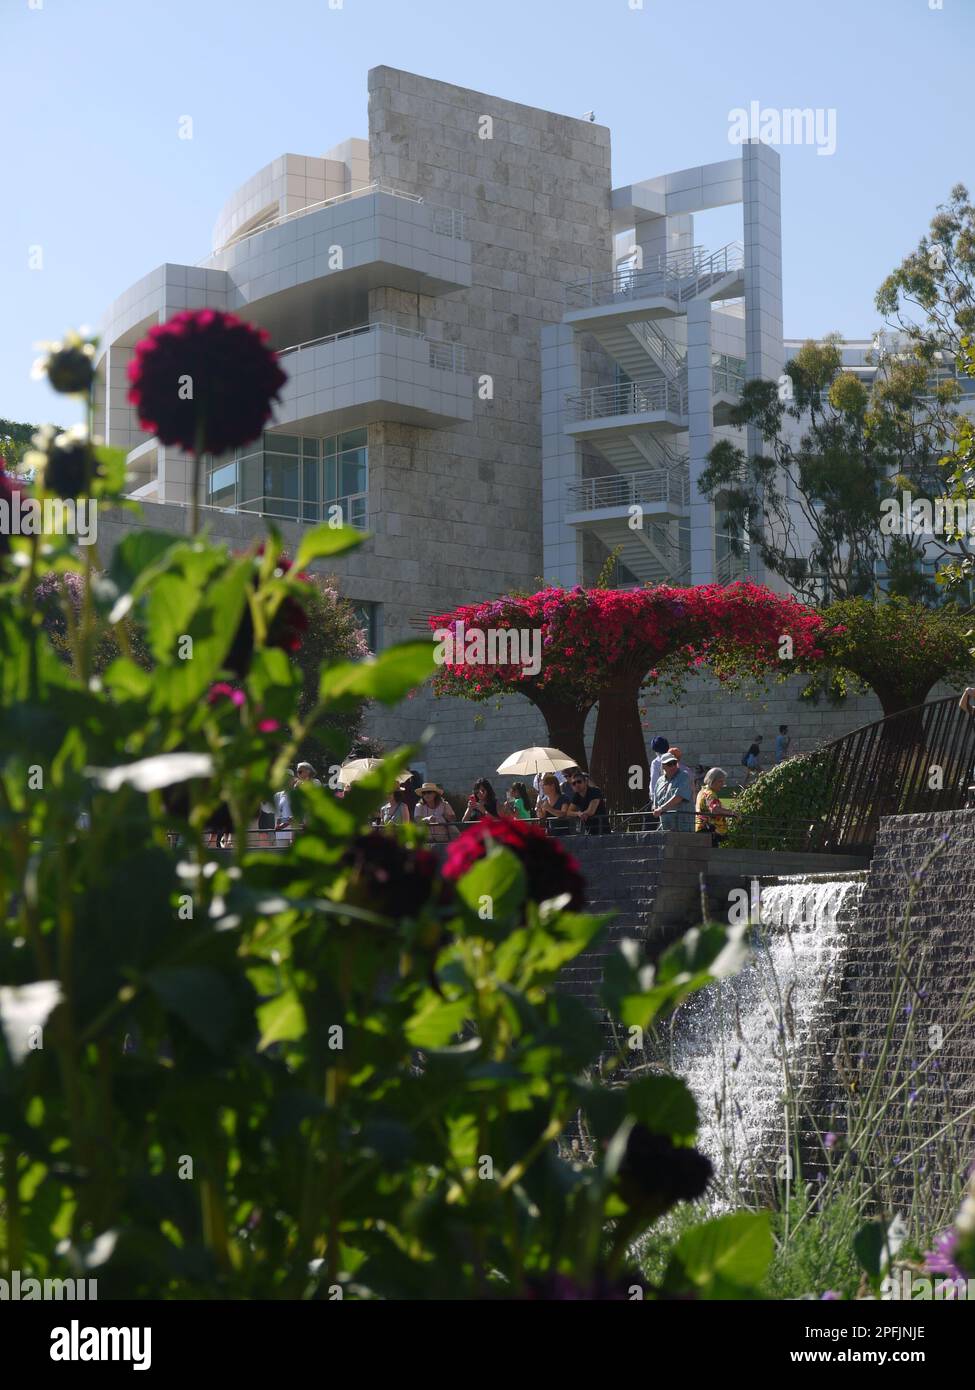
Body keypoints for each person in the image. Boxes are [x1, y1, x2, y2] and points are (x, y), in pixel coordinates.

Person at [652, 751, 694, 832]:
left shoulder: (684, 776)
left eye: (674, 763)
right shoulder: (659, 781)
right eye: (669, 764)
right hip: (666, 826)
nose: (673, 766)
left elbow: (679, 797)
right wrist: (655, 808)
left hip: (682, 826)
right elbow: (655, 802)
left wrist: (661, 809)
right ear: (663, 766)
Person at [695, 767, 736, 845]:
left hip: (702, 830)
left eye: (723, 781)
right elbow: (714, 809)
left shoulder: (702, 791)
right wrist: (732, 813)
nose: (723, 784)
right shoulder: (710, 794)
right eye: (720, 781)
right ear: (712, 780)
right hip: (708, 832)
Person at [566, 769, 609, 834]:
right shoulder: (576, 795)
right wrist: (578, 814)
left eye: (579, 782)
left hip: (602, 830)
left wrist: (581, 814)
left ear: (585, 782)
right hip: (589, 830)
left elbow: (591, 811)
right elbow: (568, 812)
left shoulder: (595, 791)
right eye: (574, 783)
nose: (576, 785)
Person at [274, 770, 294, 845]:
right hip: (280, 835)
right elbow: (277, 814)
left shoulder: (297, 795)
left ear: (293, 779)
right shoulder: (277, 795)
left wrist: (283, 825)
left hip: (293, 835)